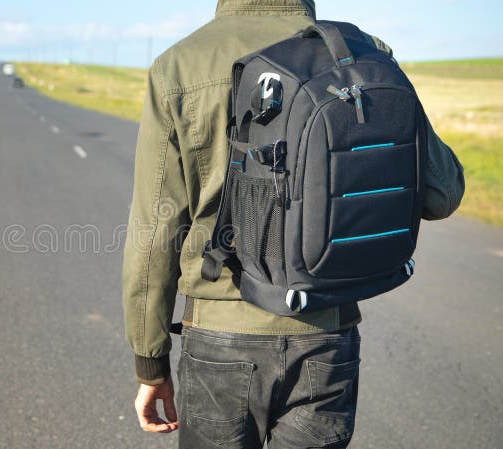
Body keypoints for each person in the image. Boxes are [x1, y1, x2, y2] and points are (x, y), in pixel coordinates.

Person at [122, 1, 465, 447]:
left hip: (220, 336)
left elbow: (154, 232)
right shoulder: (359, 52)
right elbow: (443, 194)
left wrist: (150, 362)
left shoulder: (180, 65)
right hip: (327, 333)